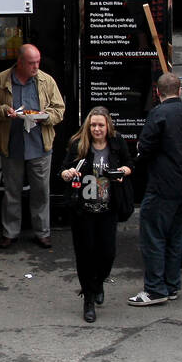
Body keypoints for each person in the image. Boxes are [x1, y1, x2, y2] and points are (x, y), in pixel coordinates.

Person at [131, 72, 182, 306]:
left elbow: (146, 149)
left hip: (162, 186)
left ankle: (154, 289)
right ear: (180, 91)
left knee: (153, 236)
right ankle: (172, 285)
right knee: (175, 236)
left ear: (157, 92)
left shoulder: (158, 114)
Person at [0, 43, 66, 249]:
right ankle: (10, 232)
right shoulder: (1, 80)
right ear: (19, 62)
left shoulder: (46, 81)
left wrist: (44, 117)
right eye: (31, 63)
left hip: (39, 145)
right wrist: (3, 111)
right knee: (12, 191)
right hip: (12, 145)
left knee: (41, 192)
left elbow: (59, 110)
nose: (36, 66)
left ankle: (42, 233)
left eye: (37, 62)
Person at [58, 107, 134, 322]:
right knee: (85, 255)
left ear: (108, 125)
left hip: (108, 209)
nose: (97, 129)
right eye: (93, 125)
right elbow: (62, 170)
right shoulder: (78, 144)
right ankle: (88, 298)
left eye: (101, 125)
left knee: (107, 253)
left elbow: (130, 164)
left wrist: (122, 173)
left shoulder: (117, 142)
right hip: (83, 211)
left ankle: (99, 281)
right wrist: (67, 173)